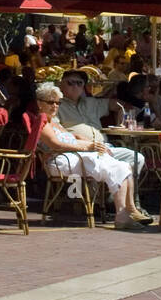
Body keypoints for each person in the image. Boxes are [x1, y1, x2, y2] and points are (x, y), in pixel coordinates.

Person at [35, 84, 150, 229]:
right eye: (51, 102)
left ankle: (126, 211)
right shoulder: (42, 121)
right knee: (110, 164)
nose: (55, 106)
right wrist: (88, 147)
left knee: (123, 165)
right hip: (60, 160)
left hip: (75, 156)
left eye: (57, 102)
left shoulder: (54, 122)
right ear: (39, 103)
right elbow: (55, 144)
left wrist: (93, 143)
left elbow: (73, 136)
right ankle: (123, 214)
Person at [56, 70, 146, 179]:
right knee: (96, 165)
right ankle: (106, 193)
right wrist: (83, 144)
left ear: (83, 86)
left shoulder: (91, 102)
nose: (75, 86)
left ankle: (115, 193)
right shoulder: (56, 106)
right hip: (81, 150)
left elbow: (121, 105)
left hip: (105, 147)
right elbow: (56, 132)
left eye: (79, 83)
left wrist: (121, 118)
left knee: (137, 158)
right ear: (61, 85)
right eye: (70, 83)